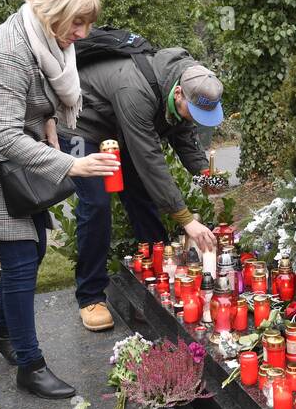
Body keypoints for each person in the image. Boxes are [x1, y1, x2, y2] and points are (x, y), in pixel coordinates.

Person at [0, 0, 117, 398]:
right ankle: (30, 365)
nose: (83, 34)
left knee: (34, 248)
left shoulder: (48, 43)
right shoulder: (8, 52)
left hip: (6, 159)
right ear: (52, 13)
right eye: (77, 22)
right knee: (19, 258)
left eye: (88, 23)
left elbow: (39, 100)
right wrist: (70, 165)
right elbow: (4, 137)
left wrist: (52, 127)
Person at [58, 33, 223, 331]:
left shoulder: (183, 84)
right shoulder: (136, 89)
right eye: (194, 113)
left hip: (122, 127)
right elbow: (149, 161)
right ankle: (90, 296)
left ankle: (160, 269)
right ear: (178, 95)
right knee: (96, 202)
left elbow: (184, 139)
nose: (196, 120)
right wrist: (187, 220)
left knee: (142, 195)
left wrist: (206, 176)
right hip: (82, 126)